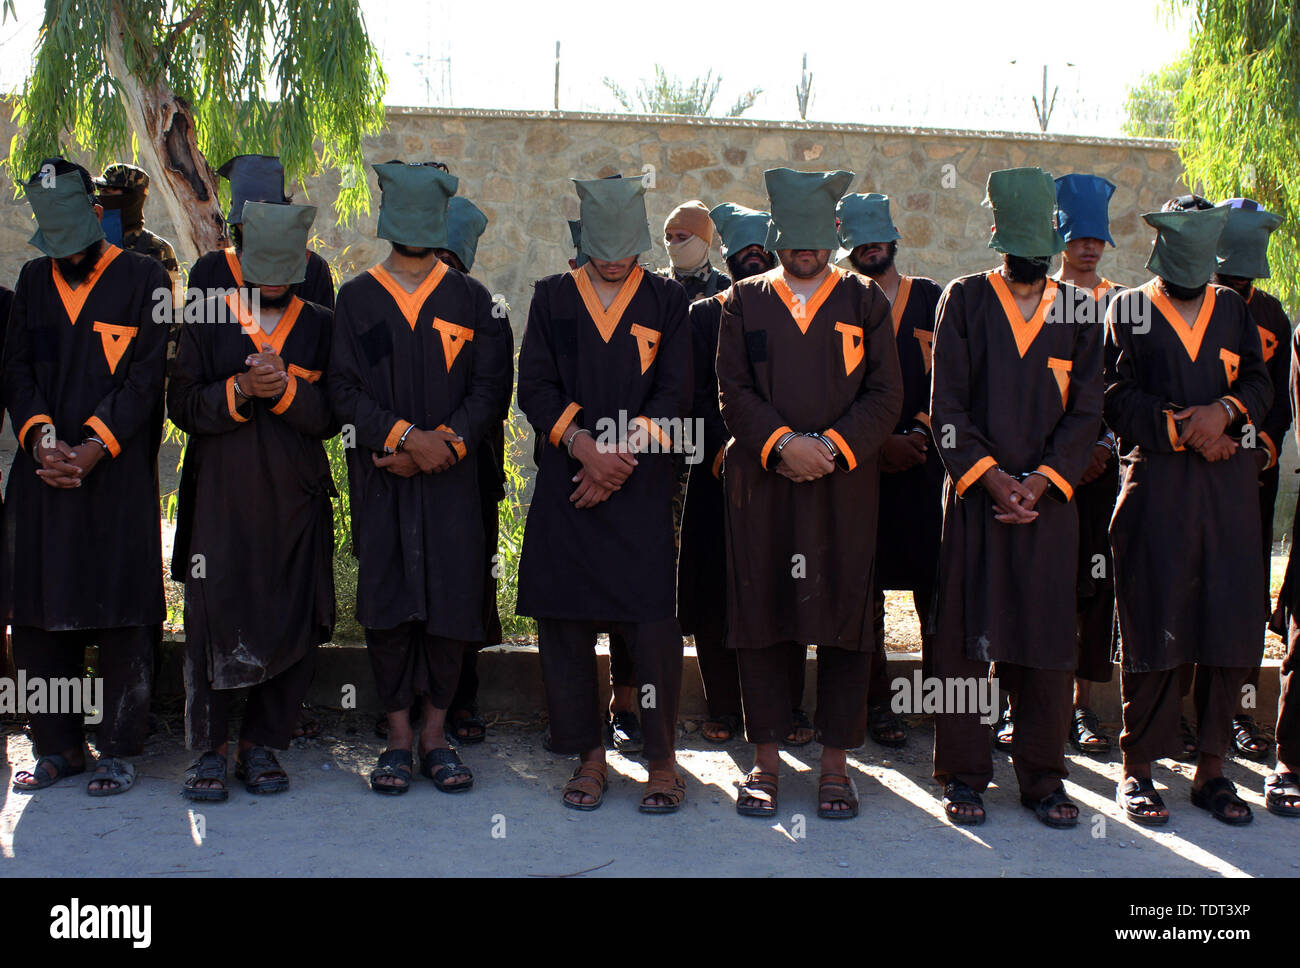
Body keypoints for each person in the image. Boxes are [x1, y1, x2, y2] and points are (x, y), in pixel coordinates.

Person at [718, 167, 902, 820]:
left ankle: (834, 765)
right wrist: (780, 446)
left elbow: (887, 394)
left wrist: (830, 448)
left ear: (834, 234)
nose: (805, 250)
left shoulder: (864, 303)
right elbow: (732, 392)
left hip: (844, 490)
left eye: (815, 235)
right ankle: (765, 764)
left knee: (846, 623)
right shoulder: (744, 302)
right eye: (792, 237)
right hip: (763, 490)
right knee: (762, 619)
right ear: (776, 235)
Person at [329, 161, 512, 795]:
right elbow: (341, 390)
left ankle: (437, 734)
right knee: (388, 604)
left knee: (450, 603)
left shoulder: (474, 301)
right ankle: (398, 737)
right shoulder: (355, 299)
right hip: (383, 476)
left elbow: (492, 389)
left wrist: (447, 444)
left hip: (452, 482)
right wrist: (406, 438)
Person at [930, 167, 1102, 829]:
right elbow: (946, 406)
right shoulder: (964, 299)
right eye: (1019, 239)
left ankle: (1042, 777)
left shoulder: (1082, 311)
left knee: (1046, 642)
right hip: (977, 500)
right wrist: (991, 476)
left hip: (1050, 507)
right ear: (997, 233)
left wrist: (1042, 481)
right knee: (967, 643)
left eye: (1044, 239)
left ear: (1055, 238)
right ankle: (965, 775)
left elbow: (1086, 412)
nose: (1032, 254)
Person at [517, 175, 691, 812]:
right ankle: (588, 755)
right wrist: (586, 448)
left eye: (626, 249)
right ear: (584, 238)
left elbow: (676, 394)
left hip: (641, 488)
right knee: (564, 623)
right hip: (570, 483)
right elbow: (533, 388)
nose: (614, 261)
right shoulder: (552, 298)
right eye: (602, 248)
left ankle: (661, 761)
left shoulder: (668, 302)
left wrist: (619, 457)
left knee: (650, 627)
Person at [5, 158, 170, 796]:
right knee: (41, 613)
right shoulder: (32, 281)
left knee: (123, 610)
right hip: (44, 476)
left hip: (115, 476)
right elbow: (17, 371)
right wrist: (44, 440)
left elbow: (146, 375)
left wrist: (95, 446)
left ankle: (119, 747)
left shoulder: (143, 277)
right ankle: (58, 747)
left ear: (95, 215)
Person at [1107, 203, 1270, 827]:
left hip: (1227, 495)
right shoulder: (1127, 311)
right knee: (1156, 618)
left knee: (1226, 624)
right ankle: (1138, 769)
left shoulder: (1233, 310)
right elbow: (1111, 395)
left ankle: (1212, 770)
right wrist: (1184, 428)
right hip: (1159, 489)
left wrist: (1225, 412)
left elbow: (1259, 382)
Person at [168, 201, 335, 800]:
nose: (273, 284)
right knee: (212, 619)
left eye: (284, 274)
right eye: (260, 271)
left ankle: (262, 746)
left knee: (290, 615)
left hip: (294, 498)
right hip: (221, 497)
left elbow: (332, 417)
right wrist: (239, 388)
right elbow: (182, 406)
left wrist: (287, 389)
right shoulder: (208, 317)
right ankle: (209, 752)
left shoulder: (318, 324)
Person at [838, 192, 943, 749]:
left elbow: (952, 379)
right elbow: (830, 391)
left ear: (894, 237)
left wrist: (919, 433)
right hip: (860, 469)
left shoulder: (934, 299)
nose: (870, 244)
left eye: (877, 233)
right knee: (865, 591)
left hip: (925, 466)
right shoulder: (838, 302)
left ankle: (945, 703)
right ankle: (878, 704)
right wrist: (876, 448)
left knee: (936, 590)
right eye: (859, 237)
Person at [677, 202, 777, 744]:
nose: (753, 259)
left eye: (761, 250)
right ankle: (723, 706)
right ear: (728, 257)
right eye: (742, 252)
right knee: (716, 595)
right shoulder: (703, 316)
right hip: (719, 478)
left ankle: (786, 709)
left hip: (786, 478)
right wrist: (724, 455)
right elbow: (693, 399)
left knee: (784, 589)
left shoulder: (794, 313)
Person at [433, 195, 514, 745]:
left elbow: (492, 395)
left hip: (469, 472)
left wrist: (445, 442)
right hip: (398, 467)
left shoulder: (484, 308)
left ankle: (461, 700)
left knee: (466, 591)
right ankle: (409, 699)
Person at [1049, 173, 1125, 756]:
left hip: (1104, 471)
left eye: (1097, 238)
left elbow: (1130, 389)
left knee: (1092, 587)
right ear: (1060, 235)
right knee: (1033, 584)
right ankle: (1016, 704)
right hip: (1043, 468)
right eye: (1079, 237)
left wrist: (1102, 448)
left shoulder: (1125, 306)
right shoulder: (1036, 299)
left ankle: (1078, 708)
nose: (1089, 247)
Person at [1213, 198, 1290, 763]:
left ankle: (1238, 714)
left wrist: (1254, 452)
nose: (1235, 283)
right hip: (1191, 476)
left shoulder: (1273, 317)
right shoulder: (1188, 305)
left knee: (1241, 601)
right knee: (1189, 591)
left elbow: (1279, 403)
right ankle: (1182, 717)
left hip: (1250, 483)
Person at [187, 154, 335, 311]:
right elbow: (194, 332)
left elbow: (324, 330)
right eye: (250, 221)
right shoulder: (209, 269)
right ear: (237, 221)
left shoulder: (312, 268)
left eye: (267, 217)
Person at [659, 199, 730, 300]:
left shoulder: (725, 288)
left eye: (682, 237)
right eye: (669, 237)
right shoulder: (655, 284)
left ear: (701, 241)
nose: (672, 244)